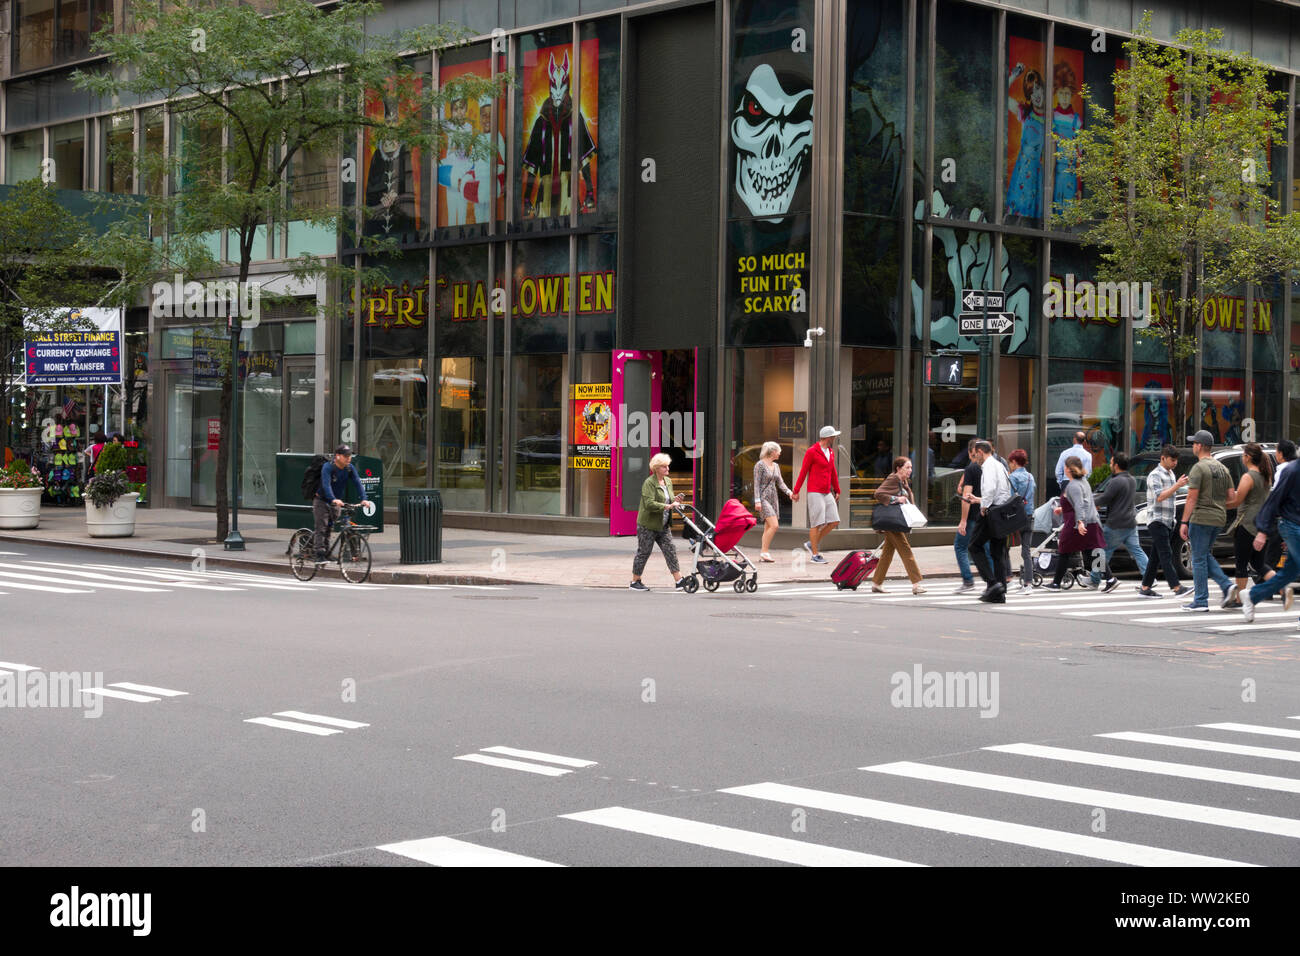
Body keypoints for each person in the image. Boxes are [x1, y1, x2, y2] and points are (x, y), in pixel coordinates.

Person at [1240, 443, 1300, 623]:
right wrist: (1263, 531)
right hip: (1291, 525)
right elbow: (1274, 501)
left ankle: (1251, 596)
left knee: (1288, 572)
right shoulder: (1292, 471)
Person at [1179, 430, 1236, 612]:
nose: (1193, 445)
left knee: (1198, 559)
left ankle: (1201, 599)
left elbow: (1191, 498)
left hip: (1202, 517)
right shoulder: (1222, 468)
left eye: (1194, 442)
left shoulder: (1199, 468)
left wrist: (1184, 522)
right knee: (1203, 554)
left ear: (1200, 445)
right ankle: (1226, 586)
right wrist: (1217, 505)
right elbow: (1232, 497)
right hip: (1219, 519)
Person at [1223, 442, 1274, 606]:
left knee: (1241, 563)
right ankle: (1282, 586)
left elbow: (1237, 501)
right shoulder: (1266, 476)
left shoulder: (1248, 476)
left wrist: (1219, 504)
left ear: (1248, 457)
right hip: (1261, 525)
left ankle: (1239, 599)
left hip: (1246, 524)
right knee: (1259, 564)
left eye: (1243, 455)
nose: (1242, 458)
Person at [1136, 444, 1189, 598]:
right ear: (1163, 458)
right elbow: (1159, 497)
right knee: (1166, 554)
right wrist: (1177, 485)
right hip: (1157, 519)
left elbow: (1170, 494)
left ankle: (1145, 587)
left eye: (1176, 460)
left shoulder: (1171, 474)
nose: (1175, 463)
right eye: (1172, 460)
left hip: (1168, 520)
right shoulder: (1155, 475)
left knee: (1156, 556)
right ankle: (1176, 587)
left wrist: (1178, 485)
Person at [963, 440, 1013, 603]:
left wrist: (983, 507)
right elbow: (1001, 491)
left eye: (974, 453)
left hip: (990, 512)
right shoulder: (1000, 465)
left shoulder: (989, 466)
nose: (973, 457)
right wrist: (978, 500)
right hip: (1001, 512)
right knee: (997, 552)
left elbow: (991, 489)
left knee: (974, 546)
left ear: (980, 451)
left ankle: (992, 584)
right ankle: (1000, 591)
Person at [1088, 452, 1146, 592]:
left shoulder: (1116, 481)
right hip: (1131, 522)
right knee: (1137, 551)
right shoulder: (1132, 480)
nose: (1110, 465)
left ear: (1117, 465)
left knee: (1101, 550)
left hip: (1116, 523)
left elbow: (1105, 499)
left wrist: (1088, 502)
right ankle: (1150, 577)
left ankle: (1095, 579)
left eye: (1111, 462)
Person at [630, 453, 687, 591]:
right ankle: (635, 582)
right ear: (656, 468)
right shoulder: (649, 483)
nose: (667, 469)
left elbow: (669, 498)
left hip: (663, 524)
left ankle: (679, 580)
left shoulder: (668, 481)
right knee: (644, 552)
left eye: (668, 466)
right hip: (648, 524)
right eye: (664, 466)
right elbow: (649, 503)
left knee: (670, 550)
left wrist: (675, 500)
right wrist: (666, 506)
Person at [1046, 457, 1105, 590]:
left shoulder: (1073, 485)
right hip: (1089, 521)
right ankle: (1109, 578)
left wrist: (1080, 522)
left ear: (1068, 469)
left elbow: (1079, 505)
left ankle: (1056, 583)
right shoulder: (1084, 482)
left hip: (1077, 523)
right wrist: (1063, 509)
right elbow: (1080, 502)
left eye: (1064, 466)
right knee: (1094, 550)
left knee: (1065, 550)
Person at [870, 456, 926, 595]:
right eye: (907, 467)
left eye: (911, 467)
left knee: (887, 553)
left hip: (894, 522)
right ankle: (916, 584)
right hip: (893, 522)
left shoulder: (902, 481)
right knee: (906, 550)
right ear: (898, 468)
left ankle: (877, 583)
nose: (910, 470)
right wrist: (896, 499)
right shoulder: (894, 478)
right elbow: (878, 493)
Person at [793, 426, 842, 565]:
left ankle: (811, 543)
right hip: (815, 491)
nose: (834, 438)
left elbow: (833, 472)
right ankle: (815, 555)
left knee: (834, 521)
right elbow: (803, 471)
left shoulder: (831, 452)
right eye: (833, 436)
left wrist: (837, 489)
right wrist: (796, 491)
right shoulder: (812, 452)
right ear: (827, 437)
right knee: (817, 523)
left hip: (827, 491)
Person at [315, 445, 368, 563]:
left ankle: (327, 553)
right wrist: (333, 499)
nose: (348, 458)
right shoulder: (328, 467)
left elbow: (358, 483)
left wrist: (364, 498)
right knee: (321, 528)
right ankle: (319, 555)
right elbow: (326, 485)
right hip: (322, 500)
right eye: (345, 456)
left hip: (336, 502)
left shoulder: (349, 468)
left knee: (329, 527)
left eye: (350, 455)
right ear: (337, 456)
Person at [954, 438, 991, 593]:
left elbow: (966, 496)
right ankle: (994, 580)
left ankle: (968, 580)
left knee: (960, 546)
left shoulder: (971, 469)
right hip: (988, 513)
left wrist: (963, 520)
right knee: (987, 549)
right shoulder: (993, 466)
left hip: (973, 516)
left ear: (972, 452)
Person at [753, 441, 794, 563]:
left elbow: (780, 483)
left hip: (773, 497)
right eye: (778, 451)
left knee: (768, 527)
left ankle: (763, 553)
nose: (780, 453)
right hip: (763, 498)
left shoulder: (776, 466)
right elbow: (756, 484)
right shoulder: (759, 465)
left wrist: (789, 493)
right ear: (772, 452)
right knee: (774, 525)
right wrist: (757, 501)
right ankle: (764, 552)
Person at [1006, 449, 1036, 592]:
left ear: (1014, 462)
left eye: (1010, 462)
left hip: (1015, 518)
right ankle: (1028, 583)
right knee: (1026, 551)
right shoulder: (1030, 477)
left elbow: (1010, 499)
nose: (1009, 465)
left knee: (1004, 547)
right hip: (1029, 516)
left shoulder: (1012, 478)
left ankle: (1008, 578)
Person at [1054, 430, 1092, 495]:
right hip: (1081, 483)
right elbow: (1088, 473)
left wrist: (1062, 483)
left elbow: (1058, 472)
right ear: (1084, 441)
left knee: (1066, 504)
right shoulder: (1088, 455)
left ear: (1074, 439)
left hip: (1066, 482)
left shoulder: (1065, 453)